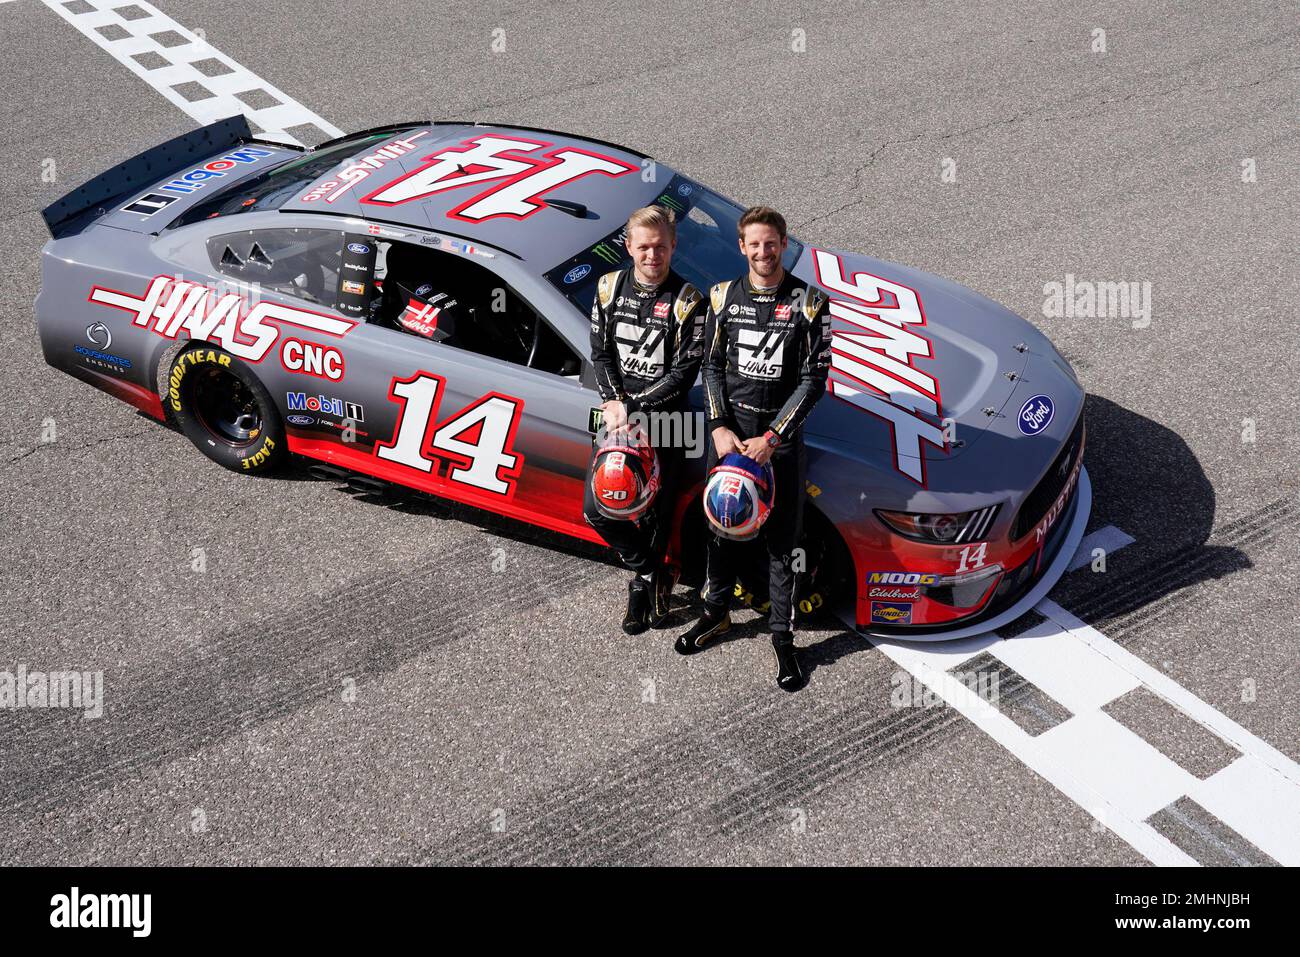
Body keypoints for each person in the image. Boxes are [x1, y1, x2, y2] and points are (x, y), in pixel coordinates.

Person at [675, 206, 831, 692]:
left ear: (783, 244)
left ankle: (783, 638)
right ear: (742, 247)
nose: (763, 252)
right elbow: (712, 368)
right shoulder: (721, 297)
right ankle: (716, 612)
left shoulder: (810, 302)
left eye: (771, 243)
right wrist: (719, 426)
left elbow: (814, 380)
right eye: (754, 244)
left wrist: (773, 438)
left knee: (784, 544)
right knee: (721, 528)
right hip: (730, 437)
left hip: (777, 444)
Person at [585, 206, 706, 634]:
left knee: (656, 511)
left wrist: (632, 408)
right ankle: (653, 572)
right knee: (597, 509)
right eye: (643, 246)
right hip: (616, 418)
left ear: (673, 246)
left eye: (660, 247)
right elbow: (599, 354)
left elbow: (683, 374)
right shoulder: (607, 287)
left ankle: (642, 585)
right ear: (629, 246)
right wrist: (614, 401)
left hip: (670, 421)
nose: (652, 255)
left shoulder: (691, 300)